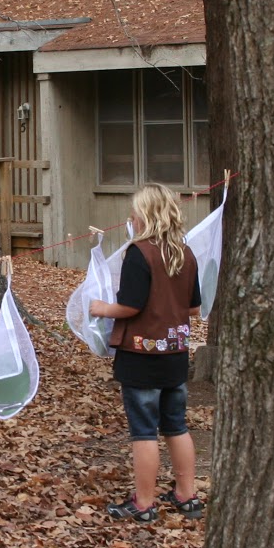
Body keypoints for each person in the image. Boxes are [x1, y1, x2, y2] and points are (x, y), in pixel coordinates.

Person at [90, 183, 204, 522]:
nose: (131, 217)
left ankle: (143, 503)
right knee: (175, 425)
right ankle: (187, 494)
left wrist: (101, 308)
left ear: (147, 215)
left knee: (144, 430)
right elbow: (194, 308)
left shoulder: (139, 253)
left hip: (140, 357)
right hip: (176, 355)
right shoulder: (185, 252)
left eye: (136, 211)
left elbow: (129, 306)